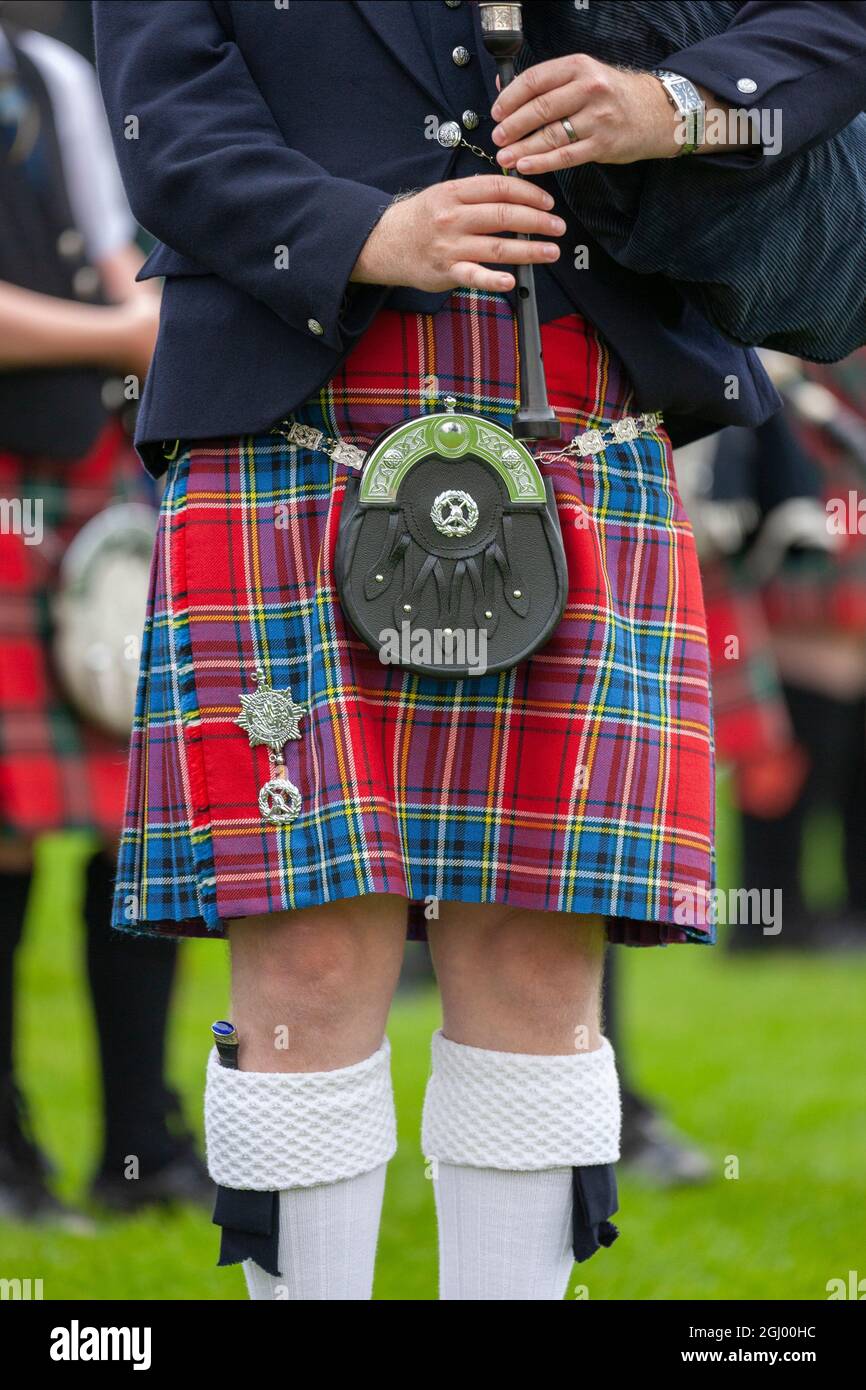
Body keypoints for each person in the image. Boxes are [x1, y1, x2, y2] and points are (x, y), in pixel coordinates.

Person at [93, 0, 866, 1300]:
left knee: (532, 948)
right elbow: (161, 112)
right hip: (292, 405)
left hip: (574, 404)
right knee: (307, 952)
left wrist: (670, 105)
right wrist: (364, 232)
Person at [0, 5, 209, 1219]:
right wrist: (121, 332)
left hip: (79, 474)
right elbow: (131, 309)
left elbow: (116, 240)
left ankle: (140, 1146)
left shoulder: (51, 73)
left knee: (141, 818)